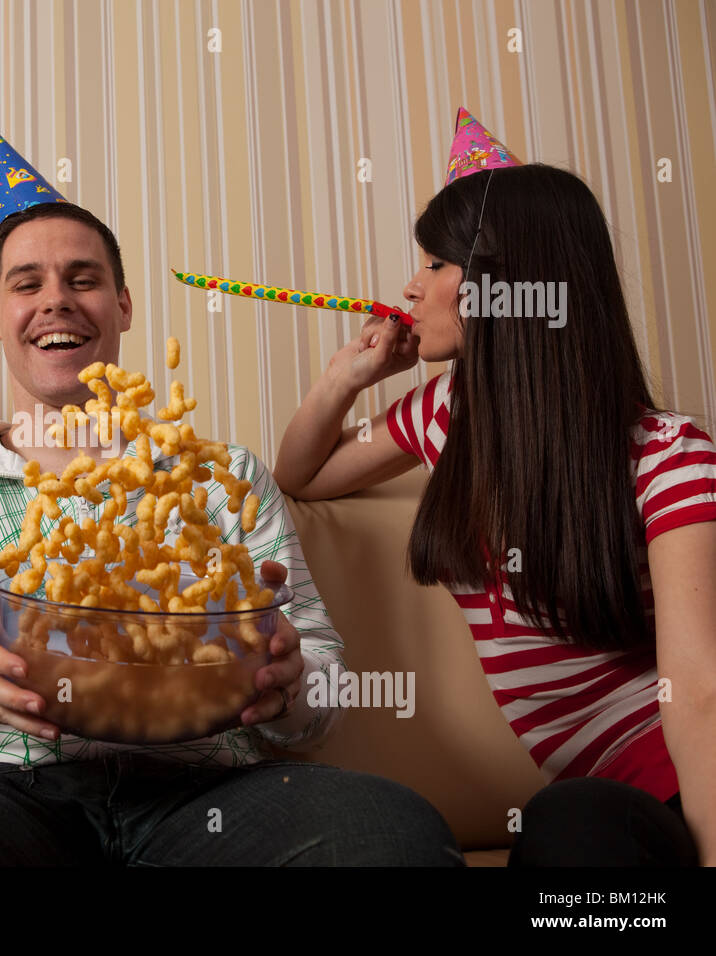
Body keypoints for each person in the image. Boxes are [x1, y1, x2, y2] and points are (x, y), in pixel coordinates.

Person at [0, 125, 461, 866]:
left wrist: (289, 680)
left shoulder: (226, 480)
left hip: (209, 794)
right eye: (27, 284)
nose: (57, 301)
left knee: (388, 833)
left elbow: (327, 692)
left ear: (123, 305)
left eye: (83, 280)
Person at [274, 108, 715, 866]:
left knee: (568, 825)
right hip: (602, 813)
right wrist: (351, 375)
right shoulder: (444, 417)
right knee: (565, 826)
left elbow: (700, 694)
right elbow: (299, 473)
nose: (413, 285)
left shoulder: (669, 457)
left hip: (687, 788)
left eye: (438, 264)